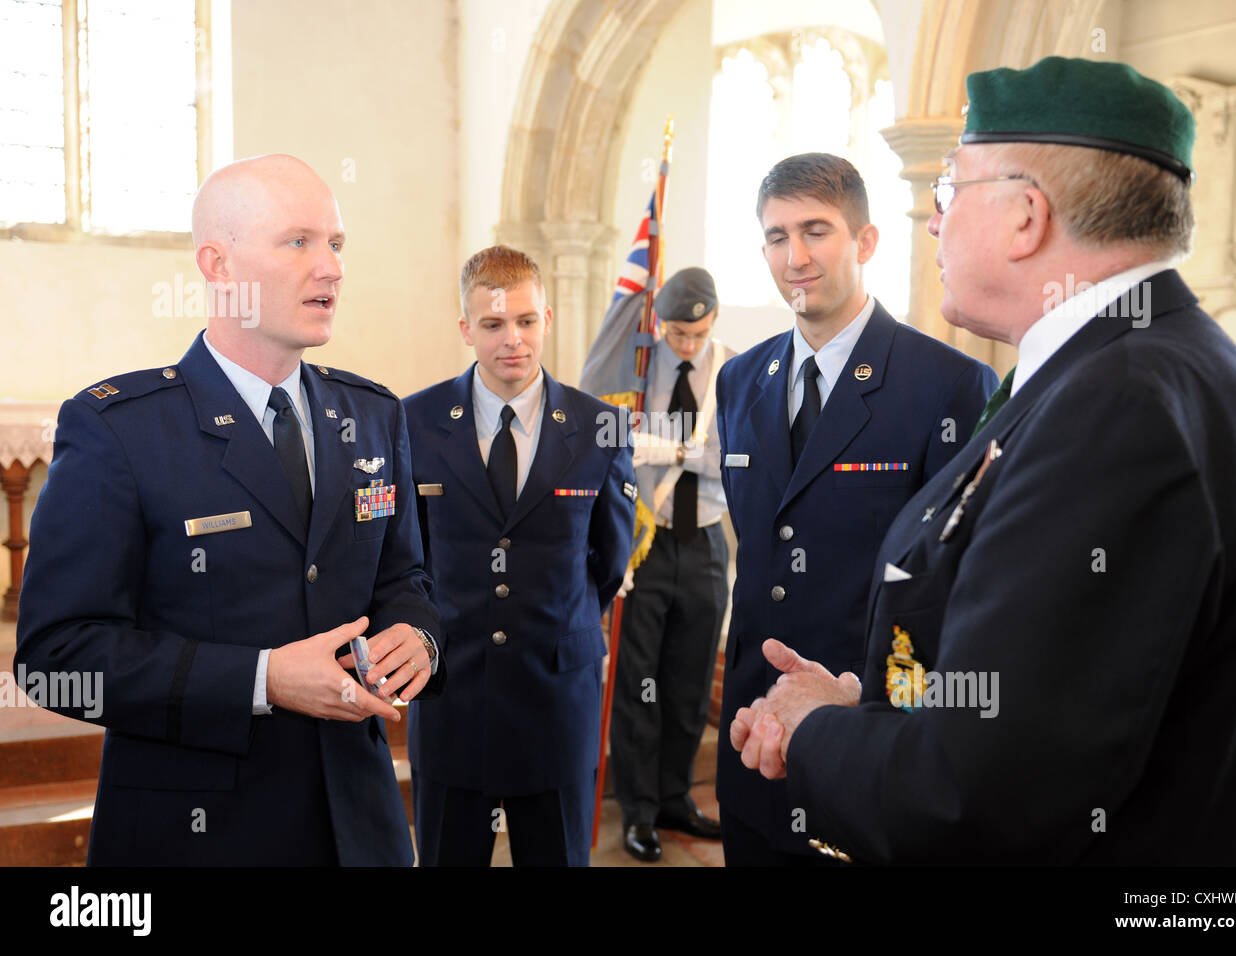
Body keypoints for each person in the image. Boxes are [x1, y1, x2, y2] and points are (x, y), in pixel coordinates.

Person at [730, 56, 1236, 865]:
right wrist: (869, 707)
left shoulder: (1122, 408)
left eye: (948, 191)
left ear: (1026, 216)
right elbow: (1048, 691)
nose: (934, 222)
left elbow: (976, 794)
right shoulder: (1150, 366)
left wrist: (814, 730)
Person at [16, 154, 443, 866]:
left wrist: (418, 636)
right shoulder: (122, 430)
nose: (332, 267)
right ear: (218, 264)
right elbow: (57, 656)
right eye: (299, 241)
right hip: (199, 829)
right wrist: (262, 678)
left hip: (358, 824)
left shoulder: (372, 415)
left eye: (337, 243)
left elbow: (407, 579)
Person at [715, 153, 999, 865]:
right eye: (778, 236)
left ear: (865, 242)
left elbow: (956, 586)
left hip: (864, 735)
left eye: (817, 231)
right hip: (753, 734)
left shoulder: (949, 386)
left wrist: (893, 717)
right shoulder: (740, 380)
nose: (797, 256)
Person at [404, 245, 636, 866]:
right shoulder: (414, 421)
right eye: (493, 324)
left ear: (548, 319)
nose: (513, 340)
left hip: (556, 696)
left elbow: (609, 562)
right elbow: (407, 560)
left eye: (526, 321)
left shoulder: (601, 427)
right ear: (465, 329)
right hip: (452, 690)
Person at [609, 267, 735, 862]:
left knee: (687, 681)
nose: (688, 346)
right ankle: (637, 811)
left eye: (698, 334)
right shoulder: (635, 369)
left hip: (707, 540)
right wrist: (671, 447)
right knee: (640, 681)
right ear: (660, 324)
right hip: (646, 541)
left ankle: (674, 797)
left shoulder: (731, 370)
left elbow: (731, 458)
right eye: (678, 335)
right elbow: (612, 437)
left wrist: (668, 446)